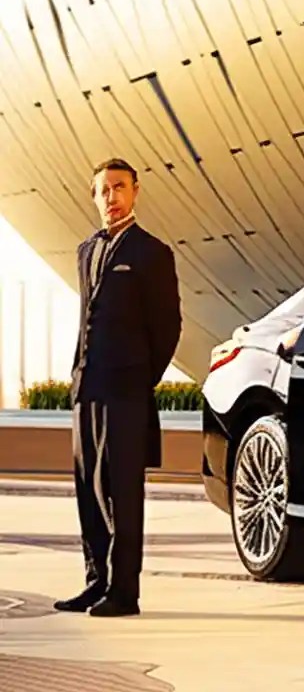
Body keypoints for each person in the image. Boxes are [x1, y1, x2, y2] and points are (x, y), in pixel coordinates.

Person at [53, 158, 182, 617]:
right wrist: (76, 378)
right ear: (95, 196)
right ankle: (96, 581)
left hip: (126, 392)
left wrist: (140, 376)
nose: (111, 197)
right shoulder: (86, 250)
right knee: (88, 487)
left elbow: (168, 326)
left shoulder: (153, 252)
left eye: (119, 188)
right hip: (86, 389)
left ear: (135, 191)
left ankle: (124, 591)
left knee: (122, 492)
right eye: (103, 190)